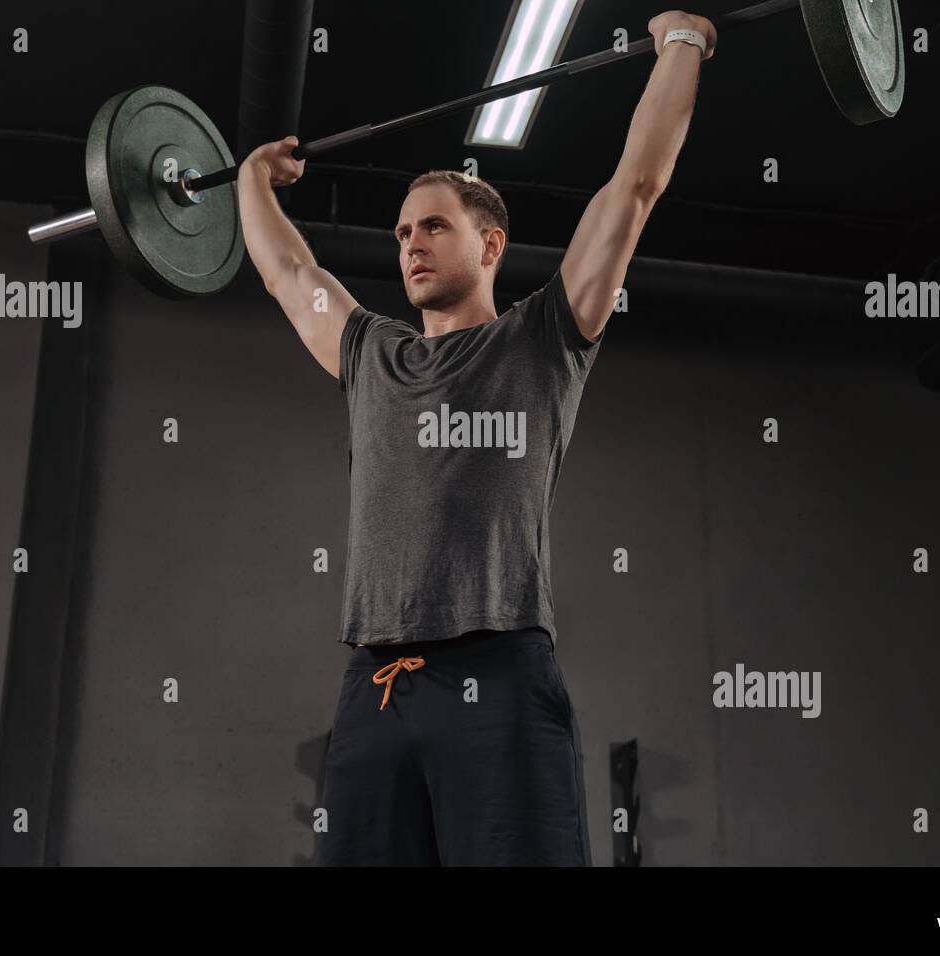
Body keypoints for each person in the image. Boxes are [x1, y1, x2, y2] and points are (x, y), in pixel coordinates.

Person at [236, 11, 716, 865]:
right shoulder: (371, 355)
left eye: (432, 226)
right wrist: (251, 183)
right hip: (373, 688)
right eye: (402, 233)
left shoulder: (541, 339)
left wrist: (683, 44)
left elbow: (634, 189)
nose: (409, 244)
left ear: (490, 243)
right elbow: (288, 273)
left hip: (496, 671)